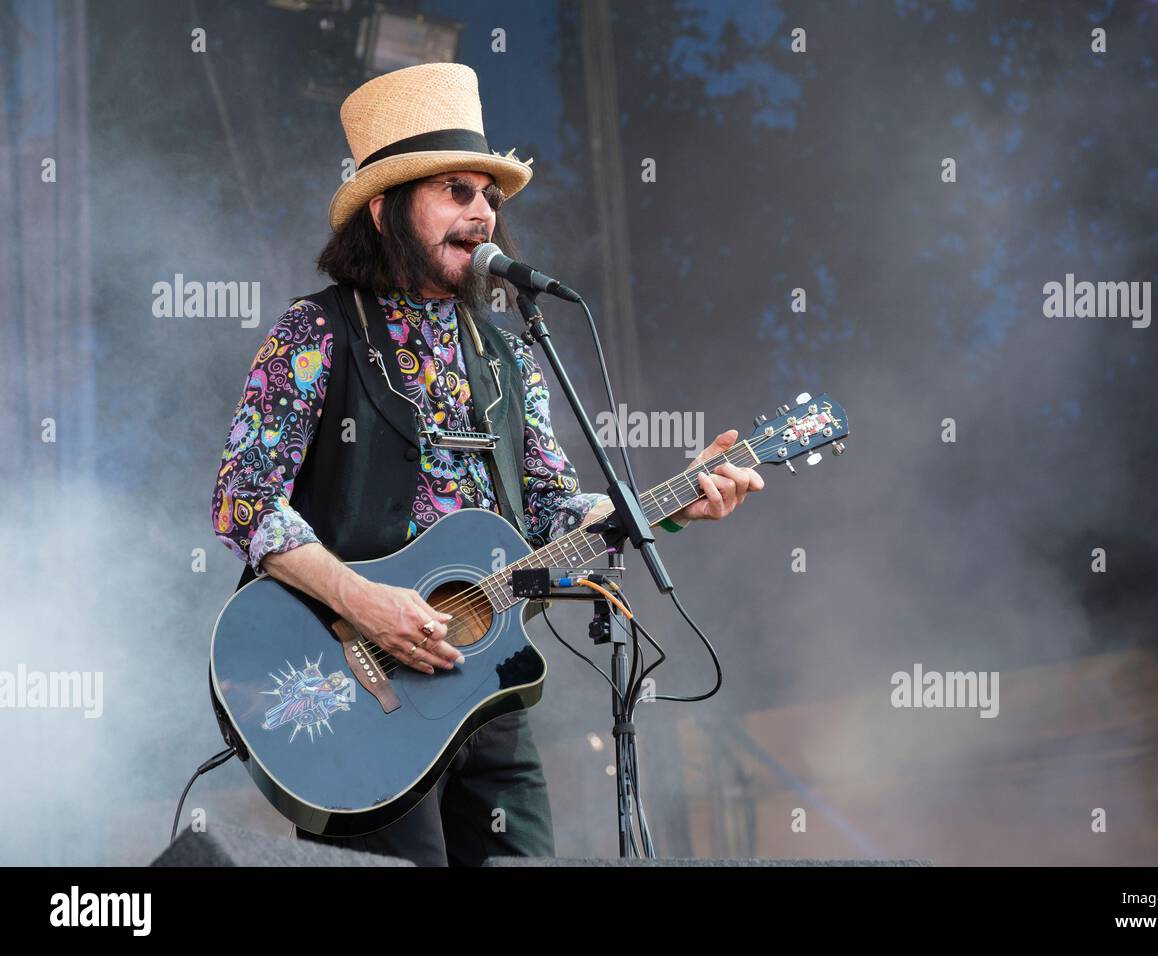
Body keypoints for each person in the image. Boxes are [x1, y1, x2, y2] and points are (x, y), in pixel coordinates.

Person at [210, 62, 764, 866]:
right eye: (457, 192)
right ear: (385, 209)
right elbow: (246, 501)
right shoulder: (316, 333)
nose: (483, 215)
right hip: (360, 688)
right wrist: (367, 604)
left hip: (487, 685)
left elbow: (551, 517)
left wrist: (676, 503)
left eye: (491, 198)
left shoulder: (507, 357)